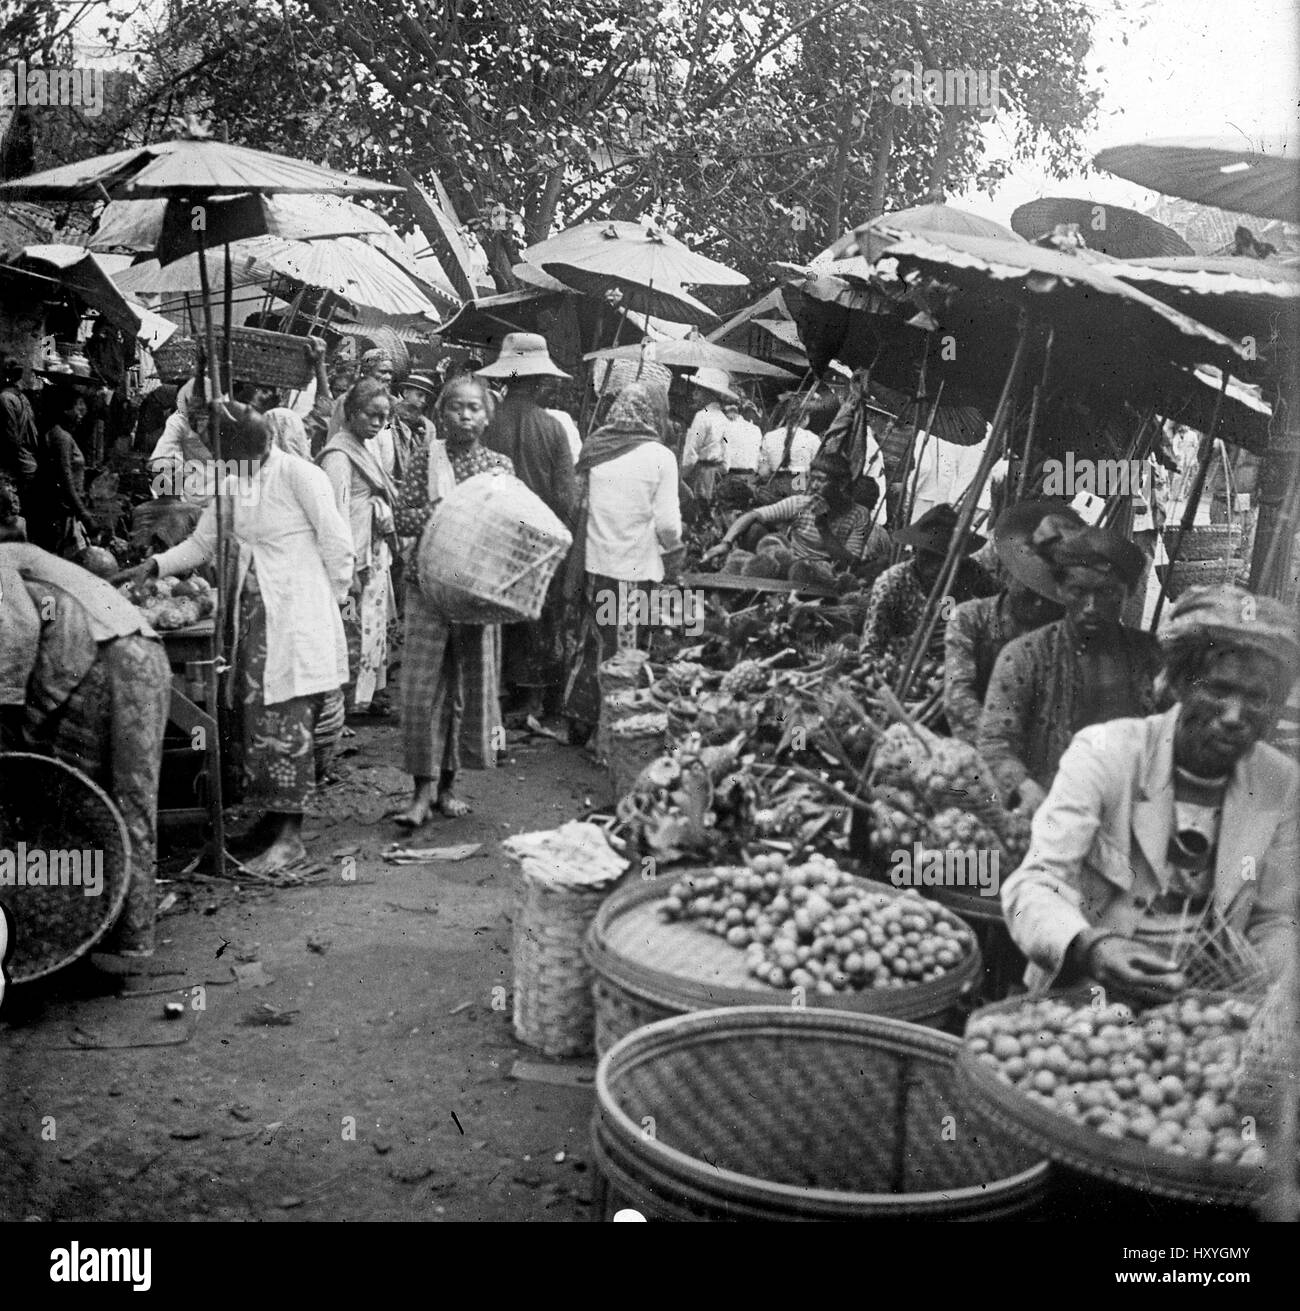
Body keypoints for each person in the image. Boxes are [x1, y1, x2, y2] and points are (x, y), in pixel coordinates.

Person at [1000, 585, 1299, 1002]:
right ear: (1178, 684)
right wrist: (1092, 946)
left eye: (1256, 698)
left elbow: (1275, 917)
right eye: (1217, 689)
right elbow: (1035, 883)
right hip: (1088, 996)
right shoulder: (1107, 753)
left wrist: (1265, 990)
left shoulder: (1280, 781)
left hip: (1199, 1008)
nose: (1234, 716)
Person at [124, 409, 354, 875]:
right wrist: (154, 567)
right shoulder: (231, 480)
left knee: (287, 722)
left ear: (265, 445)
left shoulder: (300, 476)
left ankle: (291, 839)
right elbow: (203, 544)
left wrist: (325, 603)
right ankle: (273, 822)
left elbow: (338, 544)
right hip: (255, 618)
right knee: (257, 721)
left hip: (295, 618)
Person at [1, 541, 170, 958]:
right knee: (131, 802)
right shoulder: (25, 555)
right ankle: (131, 935)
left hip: (102, 661)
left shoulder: (1, 558)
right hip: (144, 655)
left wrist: (17, 720)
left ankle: (80, 930)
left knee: (79, 804)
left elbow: (18, 634)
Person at [392, 375, 513, 827]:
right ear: (442, 413)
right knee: (423, 691)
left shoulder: (498, 466)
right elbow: (403, 518)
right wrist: (451, 509)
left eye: (474, 408)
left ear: (487, 417)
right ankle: (419, 793)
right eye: (456, 407)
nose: (465, 415)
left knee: (465, 691)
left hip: (474, 590)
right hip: (426, 585)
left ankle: (448, 787)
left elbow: (507, 526)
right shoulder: (427, 456)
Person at [979, 523, 1162, 814]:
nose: (1091, 606)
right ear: (1061, 590)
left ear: (1128, 594)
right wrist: (1023, 786)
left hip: (1130, 812)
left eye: (1106, 593)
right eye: (1079, 591)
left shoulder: (1151, 658)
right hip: (1047, 807)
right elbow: (995, 740)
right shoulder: (1025, 657)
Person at [562, 381, 683, 743]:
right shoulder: (660, 456)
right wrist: (675, 548)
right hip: (635, 570)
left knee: (594, 641)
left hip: (594, 566)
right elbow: (667, 524)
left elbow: (576, 504)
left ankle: (579, 719)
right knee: (625, 651)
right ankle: (615, 728)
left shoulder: (596, 446)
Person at [477, 334, 578, 723]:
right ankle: (533, 699)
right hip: (540, 535)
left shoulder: (486, 424)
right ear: (539, 381)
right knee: (539, 612)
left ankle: (497, 690)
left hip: (495, 530)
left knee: (498, 609)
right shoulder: (553, 428)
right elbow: (565, 495)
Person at [943, 501, 1079, 745]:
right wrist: (997, 747)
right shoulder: (969, 618)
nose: (1038, 604)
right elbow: (958, 696)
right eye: (1030, 591)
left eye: (1048, 597)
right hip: (974, 742)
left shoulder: (1064, 632)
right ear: (1009, 576)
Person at [318, 378, 399, 716]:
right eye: (372, 416)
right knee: (349, 625)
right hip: (351, 557)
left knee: (369, 625)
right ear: (351, 413)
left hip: (371, 551)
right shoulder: (338, 456)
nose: (379, 424)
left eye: (384, 418)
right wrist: (346, 566)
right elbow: (334, 514)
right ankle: (345, 702)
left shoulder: (364, 446)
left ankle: (364, 697)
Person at [702, 453, 880, 584]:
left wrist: (823, 527)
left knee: (800, 571)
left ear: (841, 485)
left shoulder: (859, 514)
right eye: (812, 479)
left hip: (825, 575)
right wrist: (725, 543)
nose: (814, 486)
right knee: (747, 545)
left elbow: (848, 563)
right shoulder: (801, 503)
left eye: (821, 480)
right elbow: (752, 514)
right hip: (790, 564)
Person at [859, 503, 997, 664]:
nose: (935, 566)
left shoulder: (969, 571)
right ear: (915, 551)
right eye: (928, 556)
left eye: (942, 557)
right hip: (902, 666)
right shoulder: (892, 582)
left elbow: (1001, 602)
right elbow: (870, 650)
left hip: (955, 663)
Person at [29, 381, 98, 558]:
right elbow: (66, 481)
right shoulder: (62, 437)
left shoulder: (57, 434)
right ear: (65, 410)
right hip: (59, 513)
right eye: (78, 407)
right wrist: (85, 516)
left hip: (60, 511)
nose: (81, 414)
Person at [679, 369, 746, 502]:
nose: (694, 394)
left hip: (699, 474)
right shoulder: (723, 418)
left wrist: (681, 475)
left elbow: (691, 452)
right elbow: (726, 455)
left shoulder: (702, 416)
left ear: (709, 394)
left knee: (695, 507)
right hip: (715, 475)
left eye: (698, 390)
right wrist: (719, 470)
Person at [147, 379, 214, 505]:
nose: (200, 415)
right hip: (190, 493)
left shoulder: (225, 421)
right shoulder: (178, 421)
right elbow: (159, 460)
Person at [0, 359, 39, 513]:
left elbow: (11, 440)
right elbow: (33, 434)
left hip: (17, 467)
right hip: (29, 463)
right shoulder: (23, 398)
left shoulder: (5, 398)